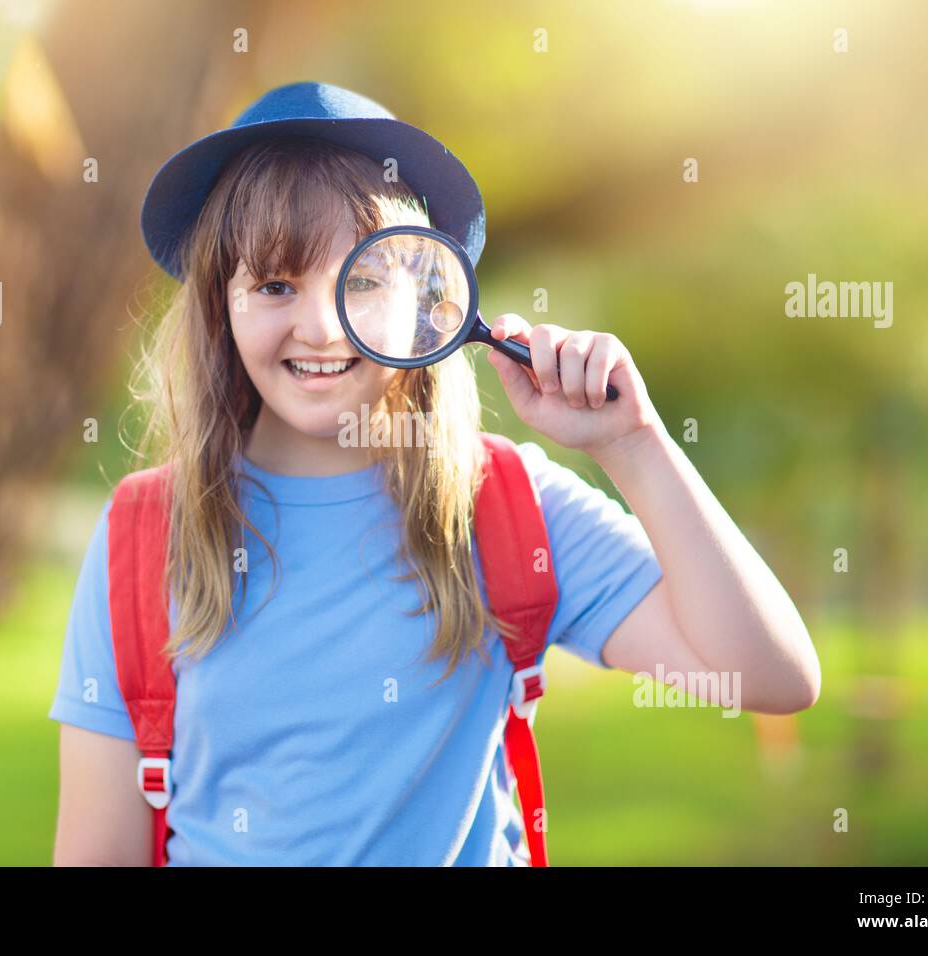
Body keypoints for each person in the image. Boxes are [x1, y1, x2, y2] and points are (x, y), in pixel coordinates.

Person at [48, 81, 820, 866]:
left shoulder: (506, 507)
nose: (318, 325)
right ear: (221, 306)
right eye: (275, 284)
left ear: (429, 302)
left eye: (362, 280)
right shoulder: (144, 536)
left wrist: (634, 445)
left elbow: (770, 675)